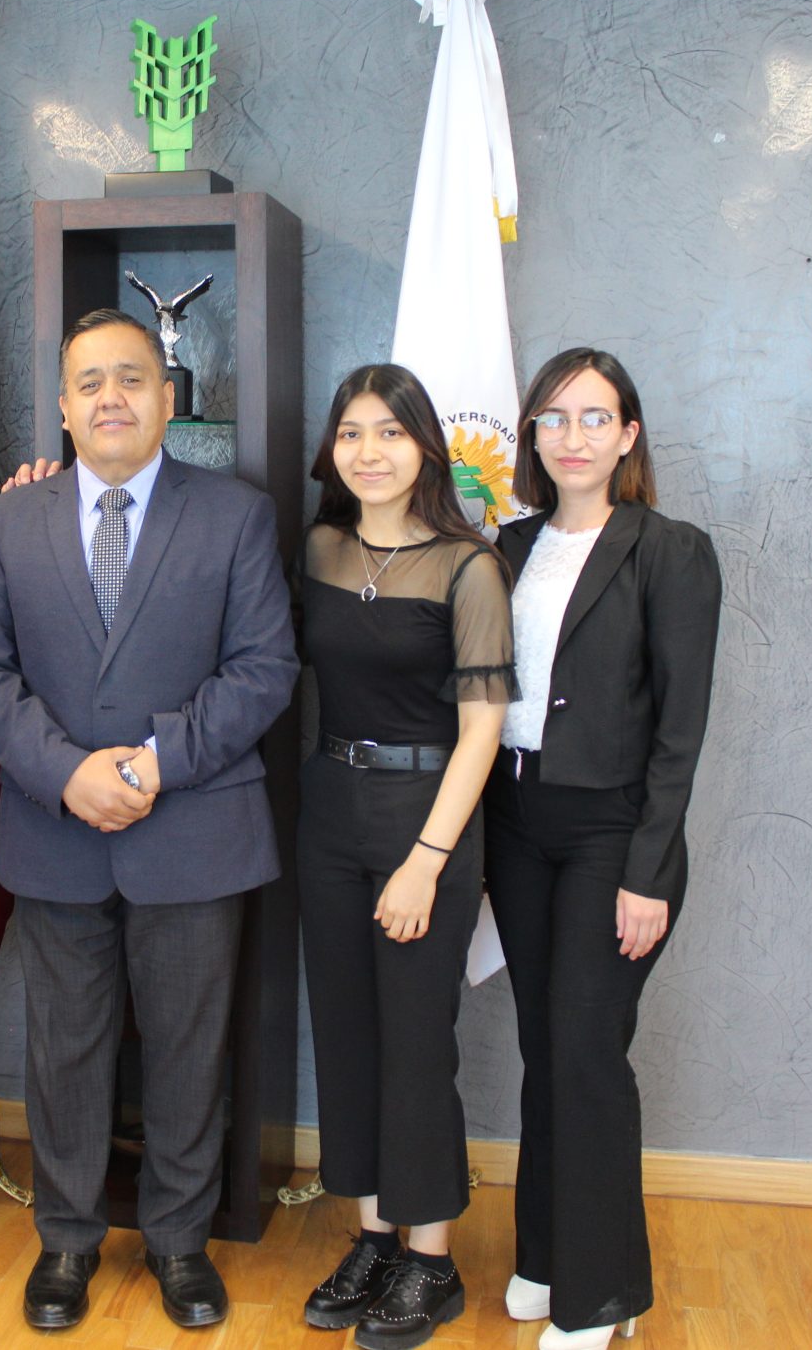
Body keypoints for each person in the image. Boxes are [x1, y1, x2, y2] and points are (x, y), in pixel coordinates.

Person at [0, 307, 298, 1332]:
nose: (111, 397)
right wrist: (67, 774)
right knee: (62, 1049)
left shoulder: (235, 516)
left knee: (190, 1049)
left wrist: (150, 764)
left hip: (192, 829)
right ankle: (64, 1242)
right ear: (62, 408)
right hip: (54, 830)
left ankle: (179, 1243)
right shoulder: (6, 524)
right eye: (89, 382)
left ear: (166, 396)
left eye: (132, 379)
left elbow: (262, 670)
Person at [483, 348, 722, 1349]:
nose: (570, 436)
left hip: (607, 834)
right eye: (551, 417)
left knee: (584, 1052)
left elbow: (679, 732)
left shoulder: (669, 551)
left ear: (626, 435)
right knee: (544, 1049)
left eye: (593, 417)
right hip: (515, 822)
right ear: (531, 436)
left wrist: (646, 872)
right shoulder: (505, 545)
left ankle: (601, 1295)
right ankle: (542, 1252)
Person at [294, 365, 516, 1350]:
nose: (368, 451)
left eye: (388, 431)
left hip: (424, 820)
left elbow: (481, 730)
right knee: (346, 1033)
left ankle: (430, 1259)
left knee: (415, 1043)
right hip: (328, 812)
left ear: (423, 445)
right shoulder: (320, 547)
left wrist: (426, 860)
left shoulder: (468, 566)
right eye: (351, 433)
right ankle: (374, 1237)